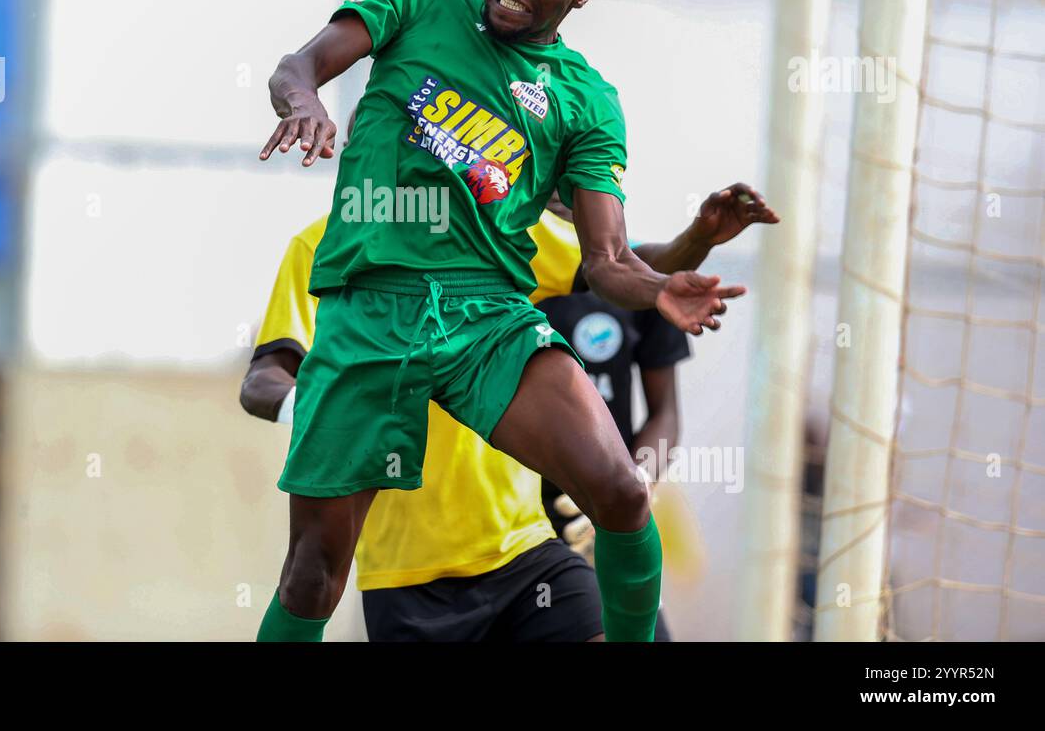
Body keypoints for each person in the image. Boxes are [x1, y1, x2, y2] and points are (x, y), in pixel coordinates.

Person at [257, 0, 750, 642]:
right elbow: (298, 65)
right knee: (314, 572)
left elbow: (608, 260)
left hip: (482, 313)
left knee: (620, 490)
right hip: (368, 312)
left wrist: (659, 290)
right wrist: (304, 103)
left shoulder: (584, 100)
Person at [242, 184, 776, 640]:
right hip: (408, 574)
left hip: (525, 547)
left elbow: (617, 267)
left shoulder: (486, 227)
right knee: (307, 581)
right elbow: (264, 379)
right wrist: (320, 411)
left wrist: (699, 239)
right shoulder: (319, 246)